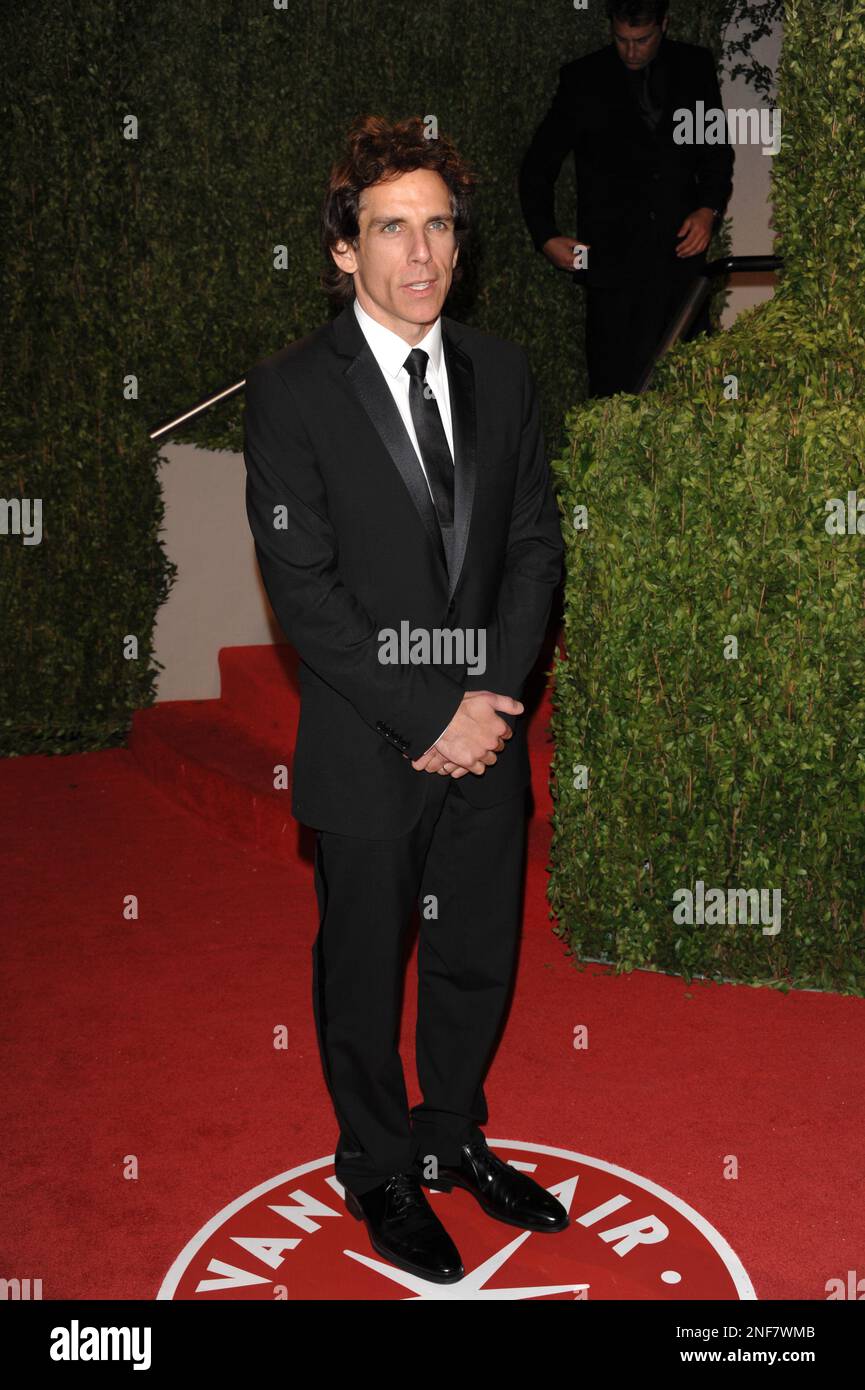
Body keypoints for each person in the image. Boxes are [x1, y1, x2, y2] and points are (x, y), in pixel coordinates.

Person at [243, 114, 566, 1285]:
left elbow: (534, 543)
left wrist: (487, 695)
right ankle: (376, 1165)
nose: (421, 253)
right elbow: (307, 595)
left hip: (485, 735)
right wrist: (429, 715)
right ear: (344, 249)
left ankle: (450, 1138)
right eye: (392, 228)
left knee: (477, 953)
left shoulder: (504, 370)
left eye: (438, 226)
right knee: (363, 969)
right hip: (369, 745)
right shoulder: (290, 394)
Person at [519, 0, 734, 396]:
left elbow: (717, 151)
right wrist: (546, 235)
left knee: (691, 391)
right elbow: (537, 166)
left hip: (681, 266)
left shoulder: (694, 67)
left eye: (642, 39)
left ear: (664, 24)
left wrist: (709, 209)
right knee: (613, 396)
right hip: (612, 272)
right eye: (621, 40)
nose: (631, 50)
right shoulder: (582, 78)